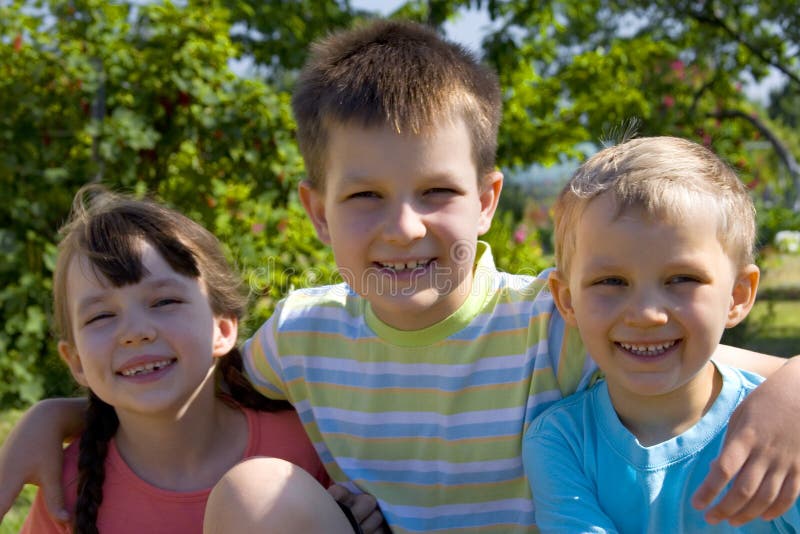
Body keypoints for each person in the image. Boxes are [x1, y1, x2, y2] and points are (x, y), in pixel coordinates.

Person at [1, 20, 800, 533]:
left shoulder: (554, 323)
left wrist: (793, 392)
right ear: (318, 213)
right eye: (366, 197)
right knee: (254, 493)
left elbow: (715, 353)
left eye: (438, 192)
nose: (405, 226)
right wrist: (58, 416)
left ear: (488, 200)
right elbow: (182, 383)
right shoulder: (303, 336)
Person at [19, 186, 375, 534]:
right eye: (101, 317)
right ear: (76, 360)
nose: (135, 331)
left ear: (221, 329)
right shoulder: (69, 490)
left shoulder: (304, 436)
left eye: (163, 302)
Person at [522, 136, 800, 532]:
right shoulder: (561, 442)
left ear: (738, 295)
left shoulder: (780, 431)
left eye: (682, 279)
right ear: (567, 301)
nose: (646, 315)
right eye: (612, 281)